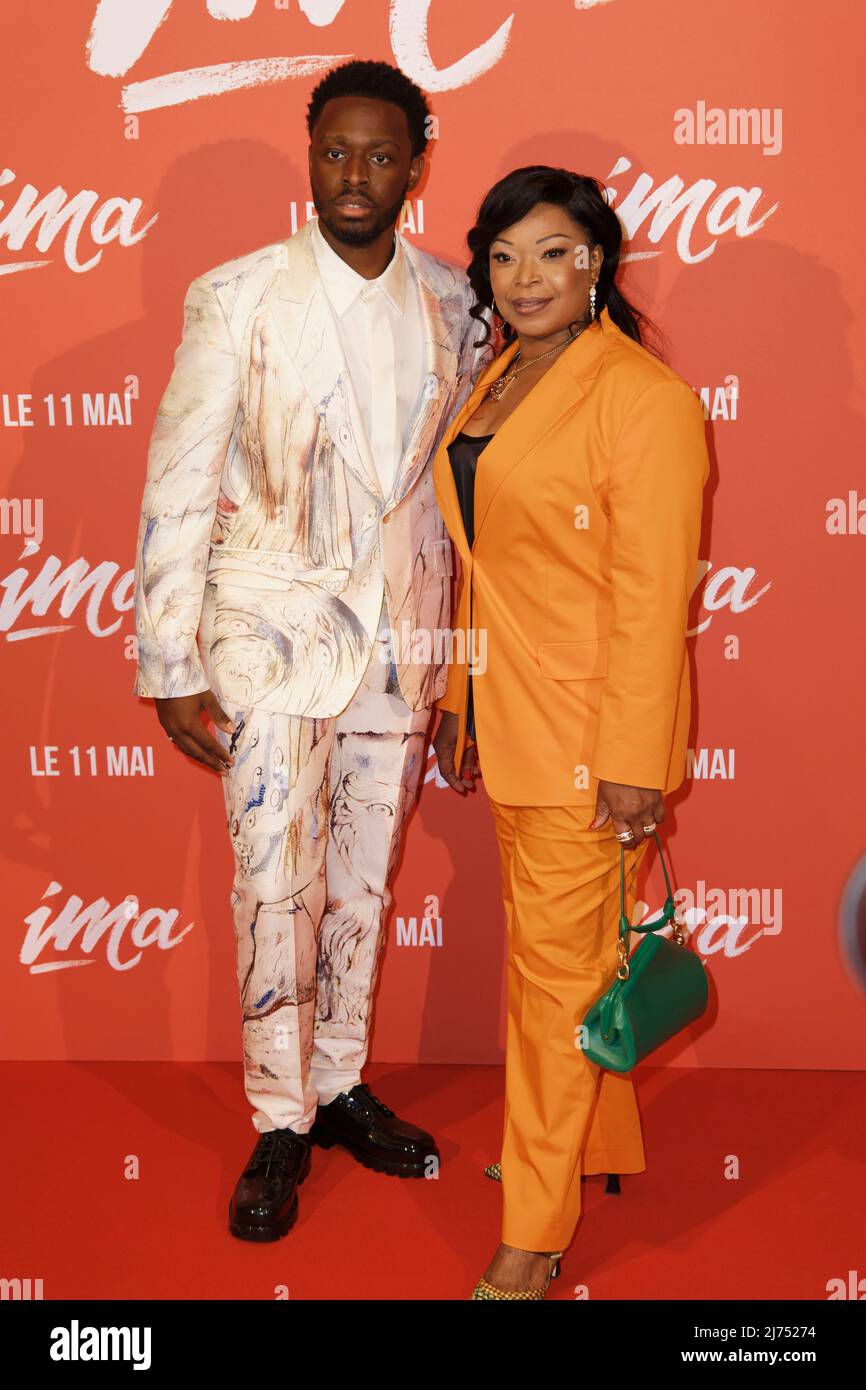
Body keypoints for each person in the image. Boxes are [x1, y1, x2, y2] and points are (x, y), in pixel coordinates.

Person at [132, 59, 489, 1242]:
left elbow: (451, 500)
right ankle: (279, 1114)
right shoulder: (234, 297)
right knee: (270, 891)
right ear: (308, 154)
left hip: (398, 643)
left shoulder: (455, 302)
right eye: (335, 151)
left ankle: (339, 1084)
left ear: (416, 164)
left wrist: (451, 661)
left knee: (361, 886)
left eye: (380, 155)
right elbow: (181, 479)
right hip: (269, 638)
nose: (355, 175)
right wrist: (170, 659)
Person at [432, 166, 709, 1298]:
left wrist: (638, 765)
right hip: (511, 721)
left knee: (551, 987)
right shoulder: (498, 377)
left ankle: (531, 1235)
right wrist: (462, 697)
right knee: (558, 969)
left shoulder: (640, 396)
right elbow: (483, 566)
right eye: (503, 256)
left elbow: (653, 598)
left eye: (551, 252)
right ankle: (595, 1147)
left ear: (598, 260)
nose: (525, 277)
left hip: (594, 750)